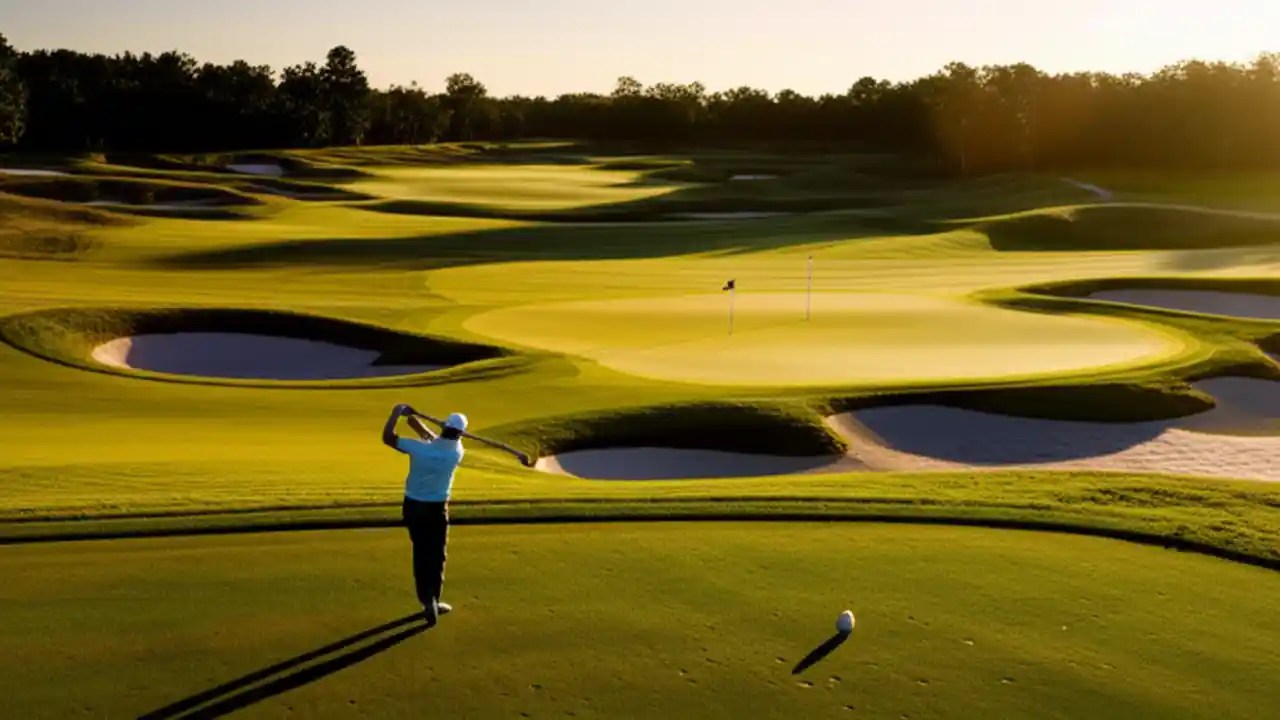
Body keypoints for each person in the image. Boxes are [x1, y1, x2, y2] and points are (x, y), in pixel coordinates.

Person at [382, 403, 466, 627]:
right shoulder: (457, 452)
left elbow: (388, 438)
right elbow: (431, 437)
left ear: (444, 427)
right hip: (437, 508)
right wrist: (414, 419)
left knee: (421, 553)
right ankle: (433, 600)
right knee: (437, 555)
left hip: (413, 507)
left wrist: (397, 413)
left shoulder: (420, 449)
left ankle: (427, 600)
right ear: (460, 434)